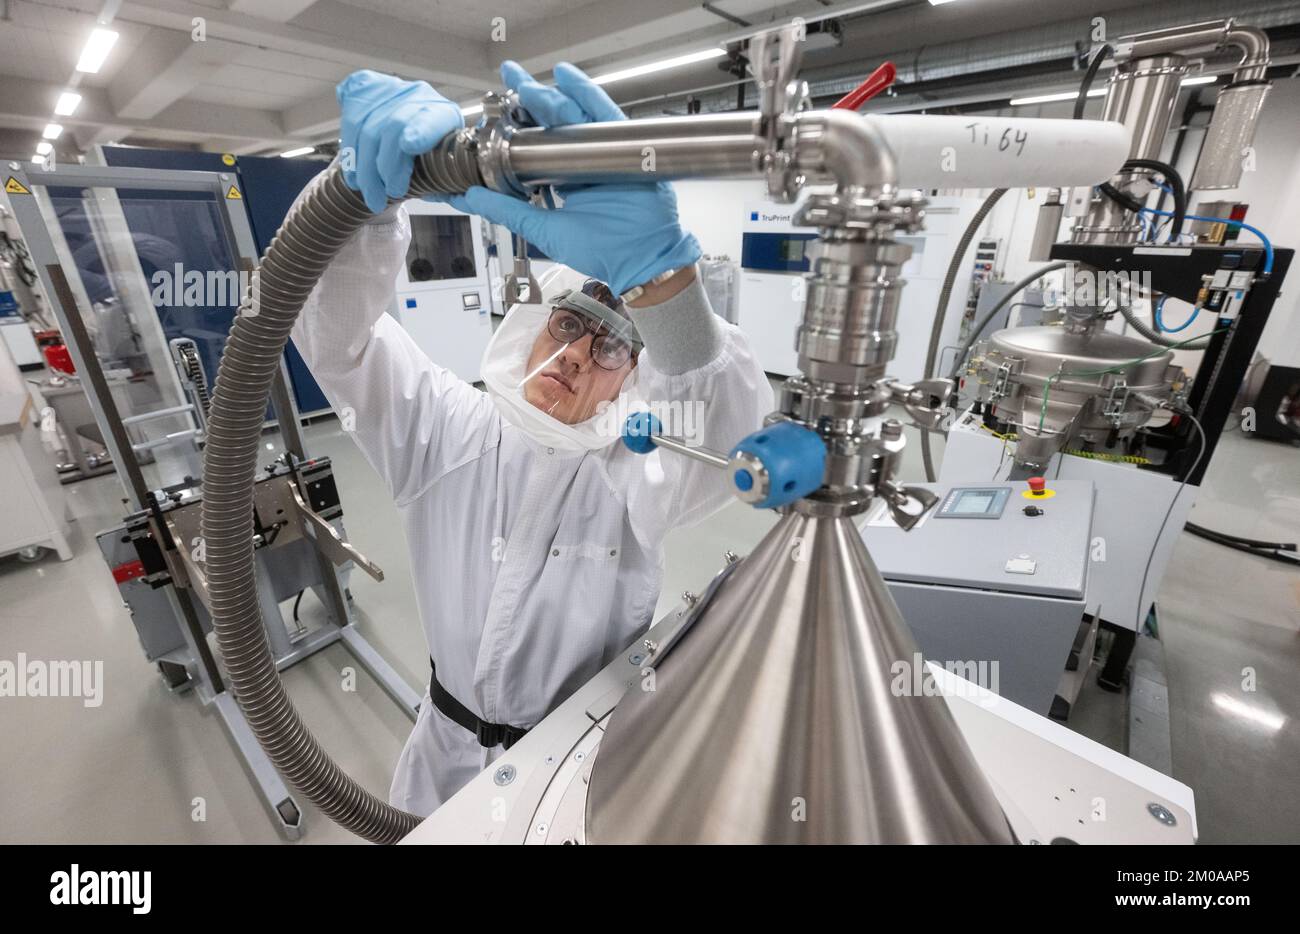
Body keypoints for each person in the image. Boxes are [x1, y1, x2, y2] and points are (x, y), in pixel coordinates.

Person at [290, 62, 772, 817]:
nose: (578, 352)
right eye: (570, 323)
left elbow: (719, 418)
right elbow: (336, 340)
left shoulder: (638, 472)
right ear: (535, 326)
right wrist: (360, 206)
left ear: (632, 381)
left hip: (579, 769)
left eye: (612, 347)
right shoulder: (447, 429)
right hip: (442, 769)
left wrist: (665, 281)